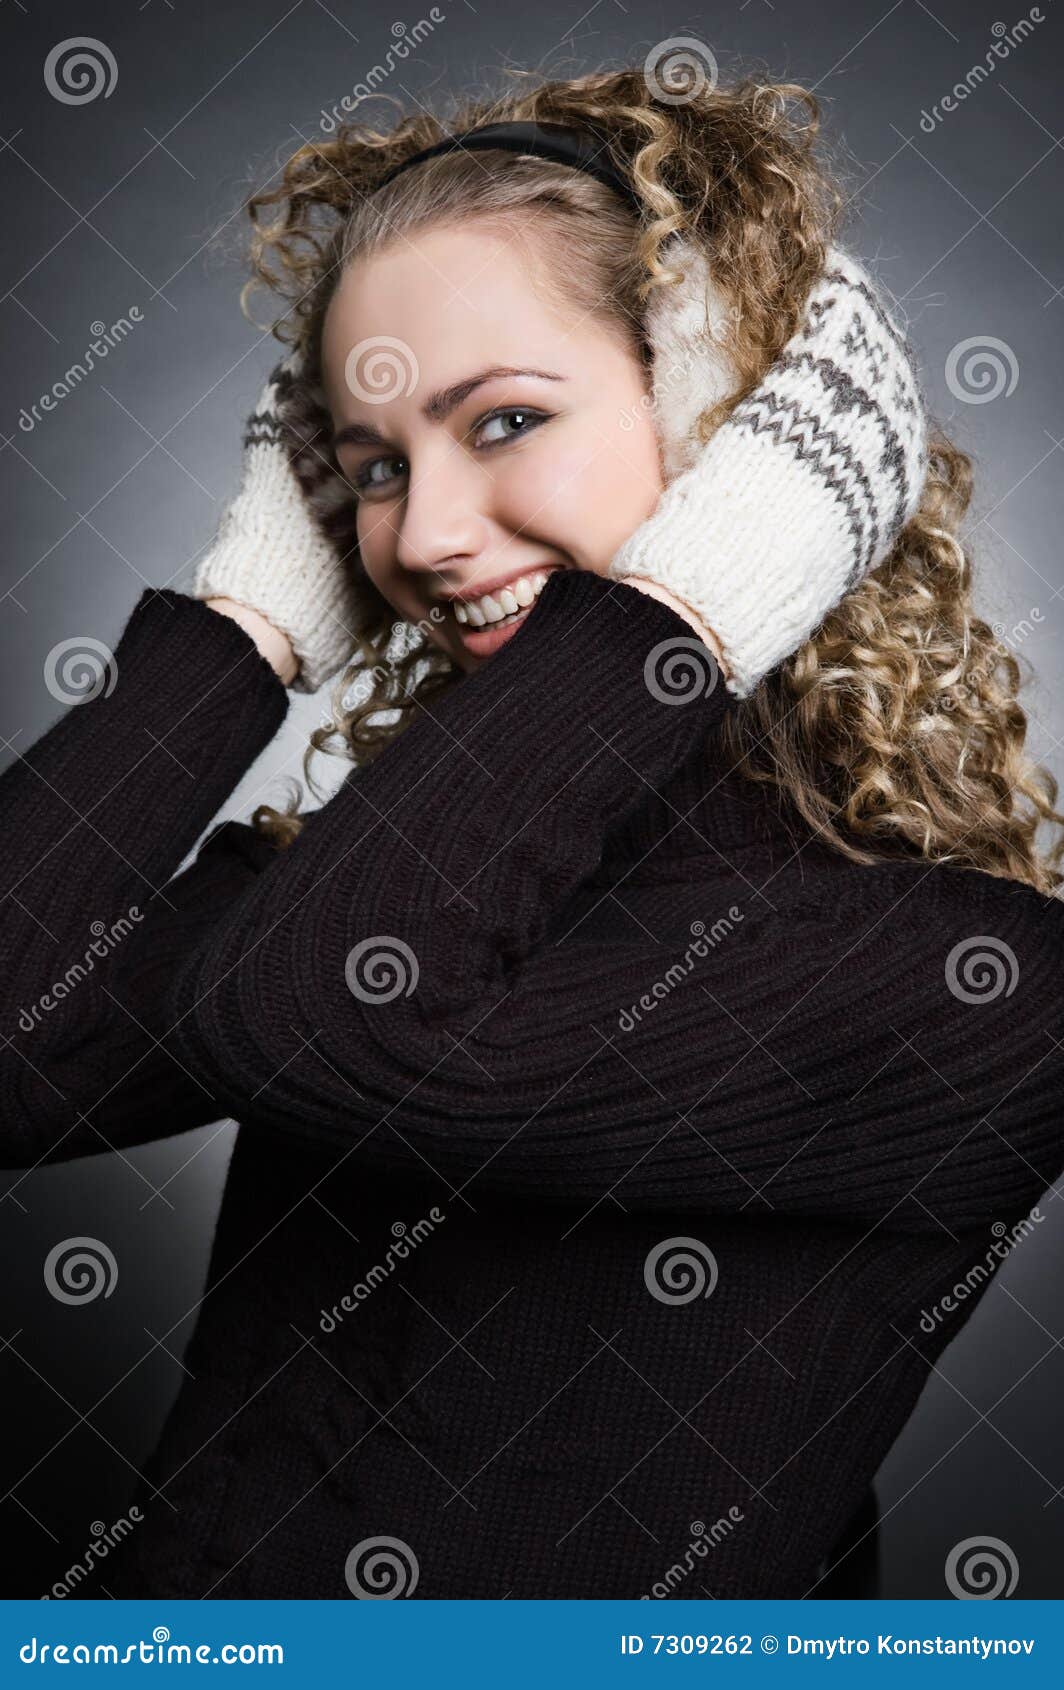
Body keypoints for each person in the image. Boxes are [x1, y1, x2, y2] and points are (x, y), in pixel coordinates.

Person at [3, 68, 1062, 1602]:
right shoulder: (349, 879)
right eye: (371, 469)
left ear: (732, 442)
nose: (423, 534)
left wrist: (702, 582)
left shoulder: (984, 989)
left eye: (503, 420)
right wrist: (245, 617)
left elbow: (331, 1020)